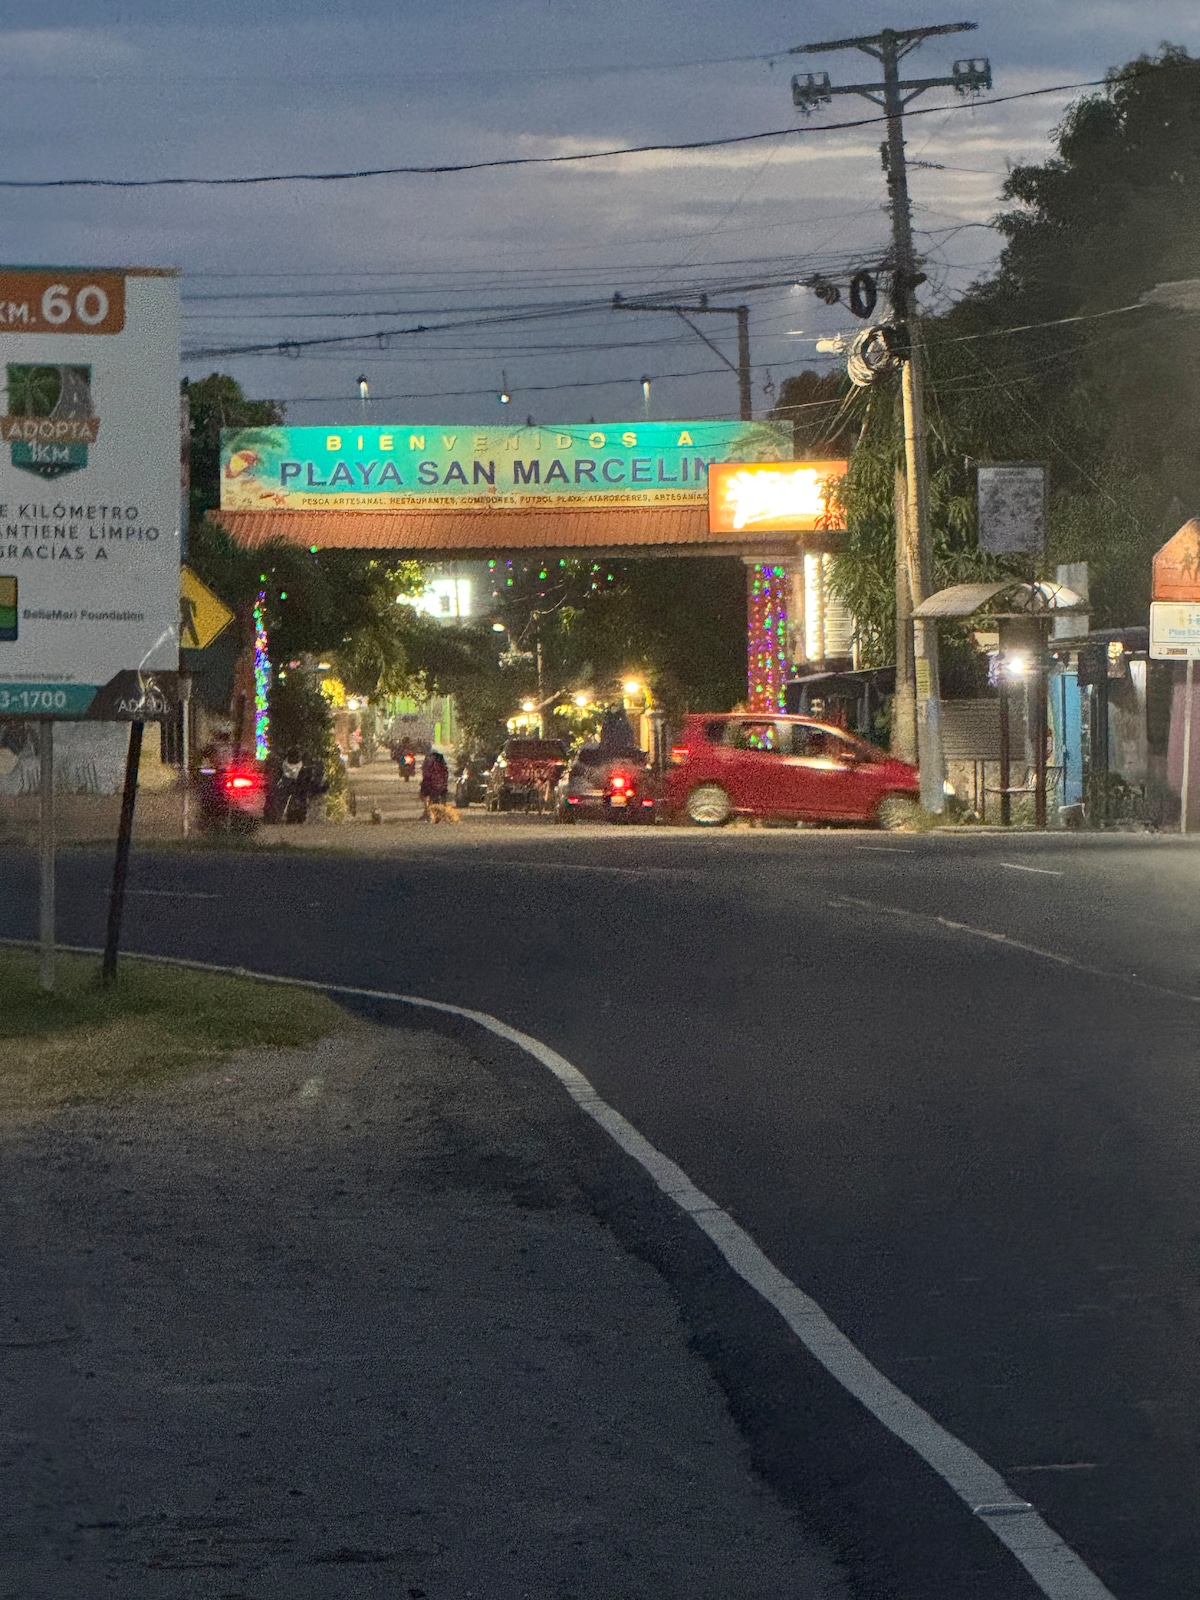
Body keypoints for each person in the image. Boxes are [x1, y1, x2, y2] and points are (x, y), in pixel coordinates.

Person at [419, 747, 449, 818]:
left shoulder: (428, 761)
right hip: (441, 785)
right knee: (444, 795)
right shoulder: (441, 761)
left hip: (431, 785)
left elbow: (425, 773)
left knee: (424, 795)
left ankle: (426, 810)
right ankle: (443, 810)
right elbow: (446, 773)